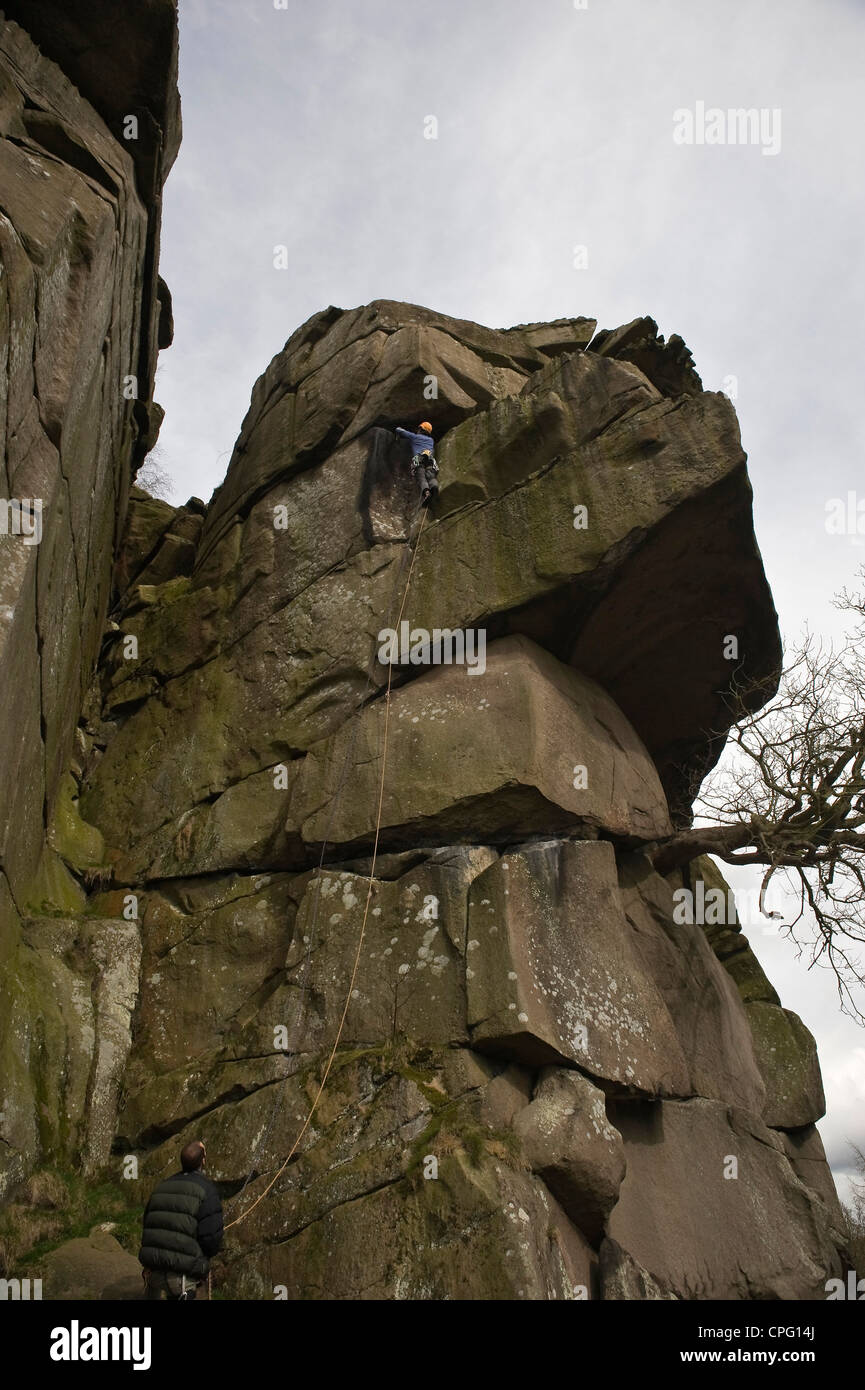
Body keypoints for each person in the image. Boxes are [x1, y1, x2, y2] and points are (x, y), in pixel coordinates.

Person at [138, 1139, 223, 1301]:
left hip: (153, 1272)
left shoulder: (162, 1187)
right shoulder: (207, 1190)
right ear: (203, 1160)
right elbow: (211, 1239)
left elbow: (148, 1223)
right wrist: (203, 1261)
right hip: (180, 1278)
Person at [395, 420, 439, 505]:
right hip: (430, 460)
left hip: (419, 458)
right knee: (431, 477)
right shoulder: (431, 440)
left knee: (421, 477)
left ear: (421, 430)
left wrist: (398, 431)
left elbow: (400, 430)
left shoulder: (415, 437)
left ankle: (426, 494)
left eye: (419, 429)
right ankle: (434, 486)